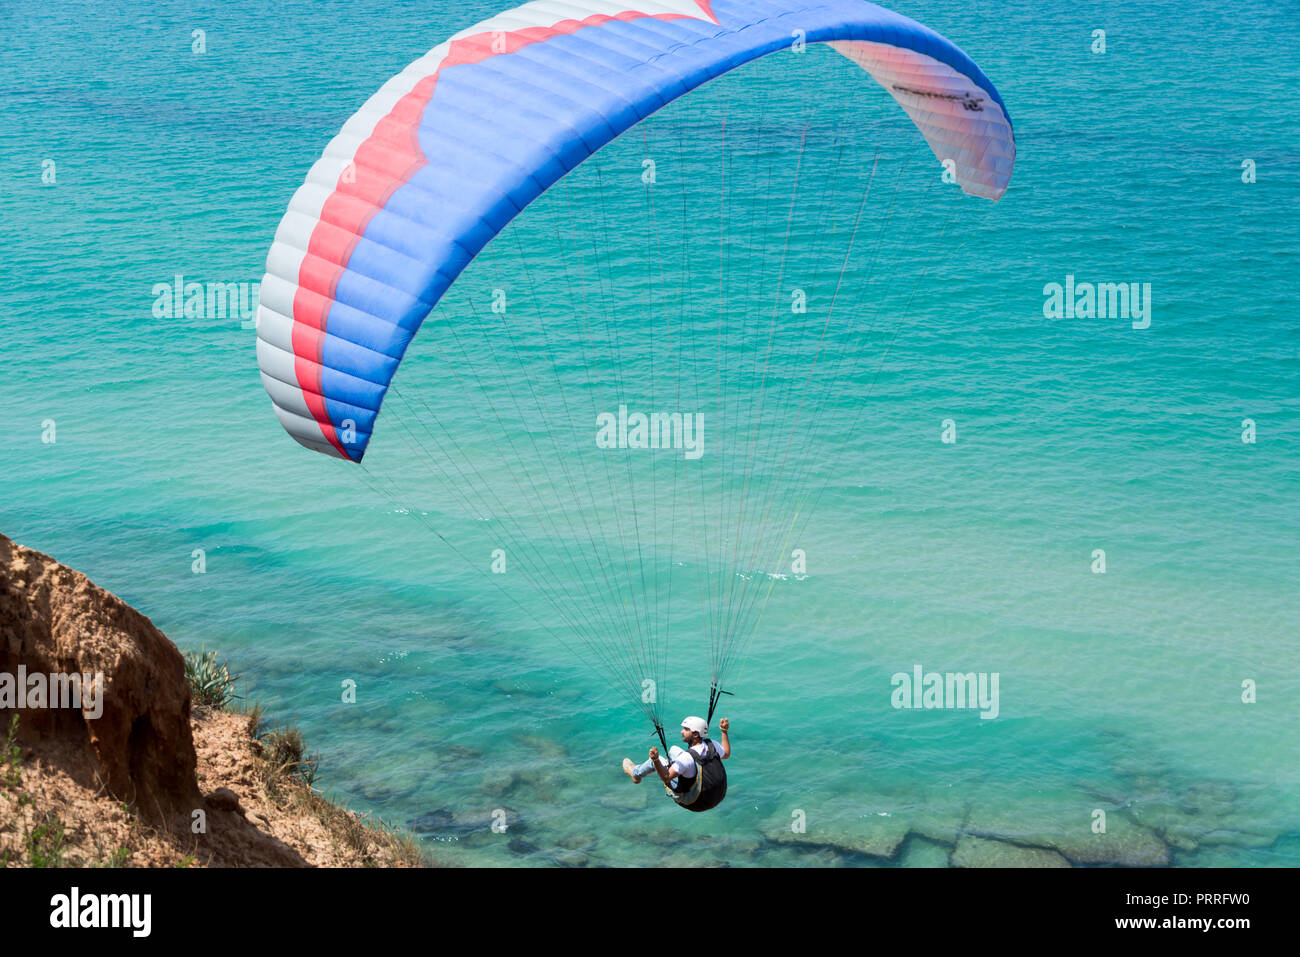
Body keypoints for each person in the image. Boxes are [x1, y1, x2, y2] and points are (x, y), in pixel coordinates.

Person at [622, 716, 731, 811]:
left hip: (694, 801)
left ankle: (635, 773)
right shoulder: (712, 745)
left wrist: (655, 760)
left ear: (696, 734)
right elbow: (726, 754)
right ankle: (675, 767)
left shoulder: (686, 758)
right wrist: (724, 731)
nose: (681, 731)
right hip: (716, 797)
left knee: (656, 761)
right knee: (673, 749)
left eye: (686, 729)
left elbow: (666, 777)